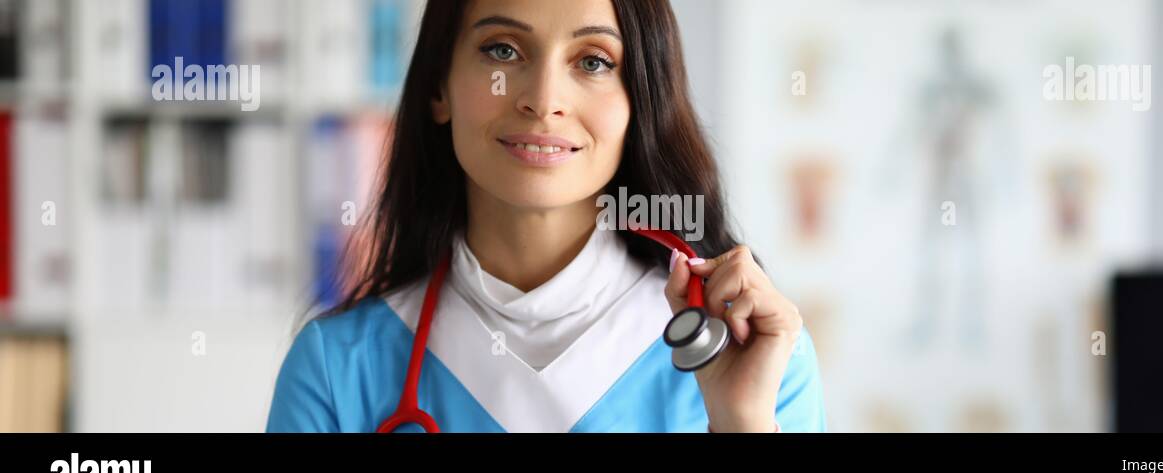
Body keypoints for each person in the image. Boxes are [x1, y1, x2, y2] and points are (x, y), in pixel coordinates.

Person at [267, 0, 826, 433]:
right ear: (440, 86)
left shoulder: (757, 352)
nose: (543, 99)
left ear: (640, 100)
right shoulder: (337, 369)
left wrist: (742, 422)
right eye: (502, 51)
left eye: (593, 62)